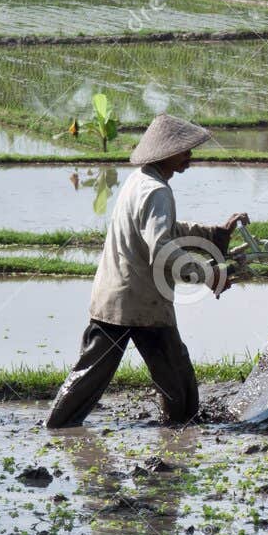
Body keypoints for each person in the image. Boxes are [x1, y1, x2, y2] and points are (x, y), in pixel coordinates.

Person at [45, 114, 247, 428]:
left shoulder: (139, 181)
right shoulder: (158, 192)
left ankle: (58, 427)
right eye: (184, 150)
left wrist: (213, 235)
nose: (190, 155)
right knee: (174, 376)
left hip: (117, 297)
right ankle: (181, 432)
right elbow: (162, 249)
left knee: (94, 374)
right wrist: (208, 275)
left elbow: (163, 231)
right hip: (140, 302)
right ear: (167, 153)